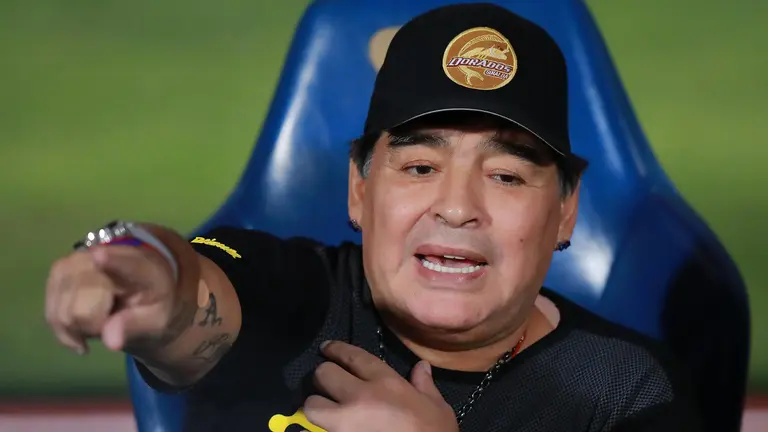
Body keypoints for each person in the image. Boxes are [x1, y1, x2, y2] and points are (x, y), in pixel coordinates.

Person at [44, 3, 701, 431]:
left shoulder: (627, 395)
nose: (457, 207)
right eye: (419, 167)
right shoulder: (291, 296)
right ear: (359, 189)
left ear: (565, 211)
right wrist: (143, 266)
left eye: (505, 176)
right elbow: (191, 287)